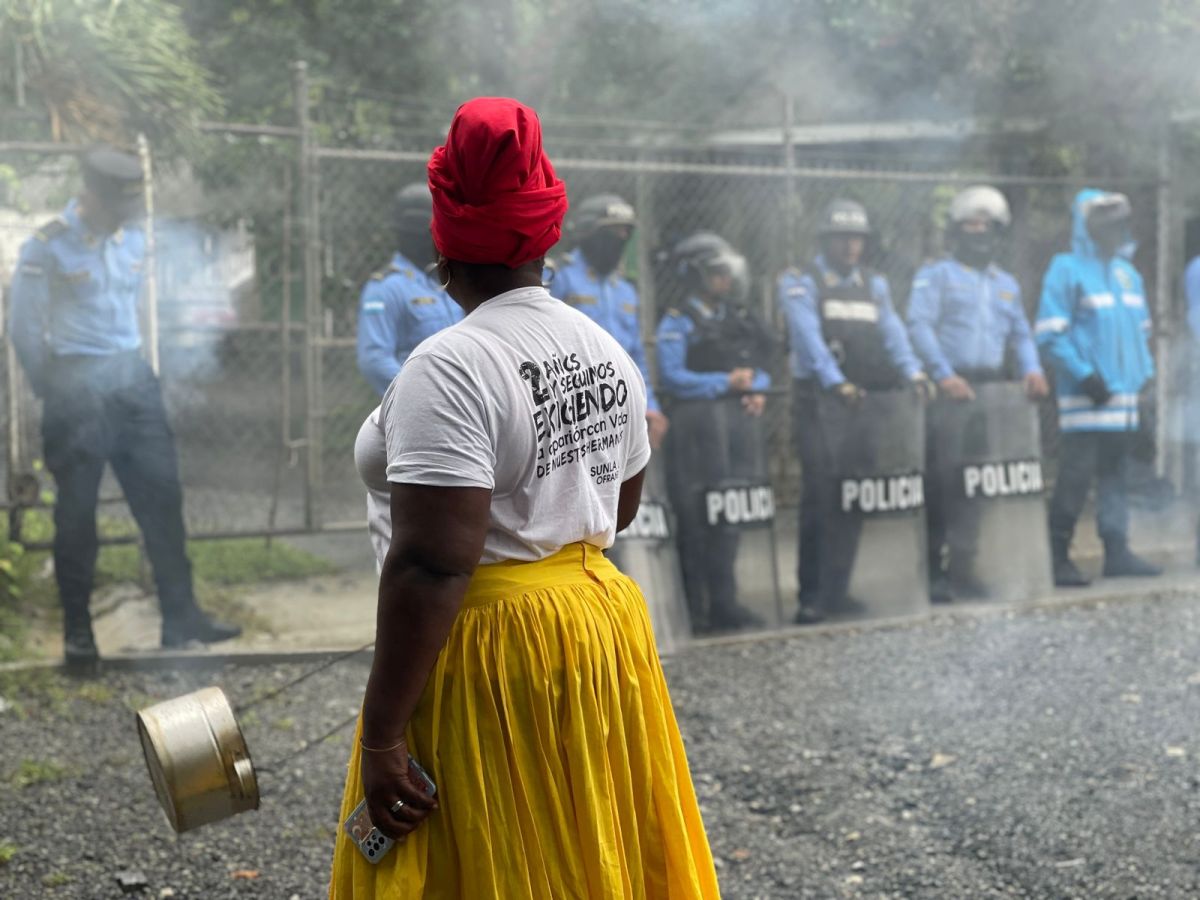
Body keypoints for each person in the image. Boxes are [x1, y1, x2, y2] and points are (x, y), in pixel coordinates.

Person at [331, 98, 719, 899]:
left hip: (489, 653)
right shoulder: (600, 345)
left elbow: (434, 566)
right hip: (595, 631)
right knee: (582, 850)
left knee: (492, 861)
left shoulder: (453, 364)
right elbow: (619, 506)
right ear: (547, 234)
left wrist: (381, 736)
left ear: (445, 243)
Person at [7, 145, 240, 668]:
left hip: (132, 379)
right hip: (75, 383)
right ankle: (78, 635)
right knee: (77, 515)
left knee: (162, 501)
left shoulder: (132, 236)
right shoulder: (48, 246)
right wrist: (56, 388)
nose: (125, 217)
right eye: (118, 207)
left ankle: (180, 621)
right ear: (91, 195)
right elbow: (23, 329)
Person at [780, 199, 932, 625]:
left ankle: (838, 591)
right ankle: (811, 595)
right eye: (842, 238)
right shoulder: (801, 282)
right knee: (820, 498)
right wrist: (835, 382)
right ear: (825, 240)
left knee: (855, 496)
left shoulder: (874, 284)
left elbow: (893, 332)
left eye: (857, 239)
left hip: (863, 403)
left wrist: (914, 372)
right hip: (821, 402)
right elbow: (807, 340)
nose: (851, 246)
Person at [907, 185, 1049, 602]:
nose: (979, 234)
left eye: (987, 228)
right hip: (950, 389)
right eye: (970, 227)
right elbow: (918, 327)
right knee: (940, 484)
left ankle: (965, 569)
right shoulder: (935, 276)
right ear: (957, 231)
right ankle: (932, 570)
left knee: (977, 486)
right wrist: (943, 374)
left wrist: (1033, 369)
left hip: (990, 391)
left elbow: (1021, 334)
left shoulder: (1006, 285)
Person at [1035, 189, 1161, 586]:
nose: (1115, 234)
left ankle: (1117, 551)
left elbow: (1142, 335)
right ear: (1088, 228)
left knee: (1115, 475)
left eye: (1119, 227)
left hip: (1123, 400)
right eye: (1107, 227)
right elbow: (1051, 333)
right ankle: (1057, 555)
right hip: (1085, 398)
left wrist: (1144, 391)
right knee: (1074, 476)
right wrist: (1085, 375)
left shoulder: (1128, 273)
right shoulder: (1066, 269)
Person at [657, 231, 774, 632]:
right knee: (696, 518)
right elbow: (672, 377)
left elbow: (761, 361)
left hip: (734, 429)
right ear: (695, 275)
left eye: (728, 271)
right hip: (696, 433)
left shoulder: (737, 316)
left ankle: (727, 603)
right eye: (716, 272)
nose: (725, 279)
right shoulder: (677, 321)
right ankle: (697, 609)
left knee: (730, 512)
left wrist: (756, 386)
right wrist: (726, 383)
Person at [552, 193, 669, 448]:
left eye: (625, 232)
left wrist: (650, 405)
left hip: (620, 407)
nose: (621, 239)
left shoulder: (626, 290)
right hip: (570, 410)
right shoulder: (559, 278)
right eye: (613, 231)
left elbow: (636, 355)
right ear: (588, 232)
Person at [356, 183, 462, 396]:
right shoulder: (386, 289)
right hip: (421, 409)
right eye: (437, 233)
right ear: (419, 237)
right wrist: (423, 395)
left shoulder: (450, 282)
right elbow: (374, 359)